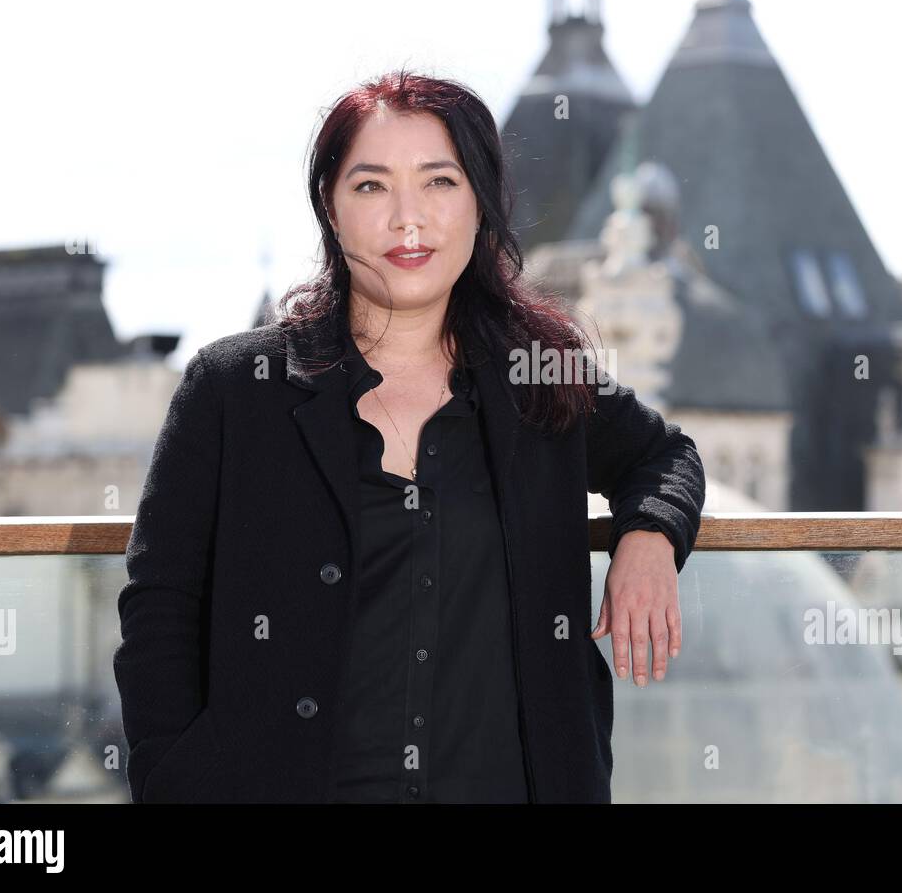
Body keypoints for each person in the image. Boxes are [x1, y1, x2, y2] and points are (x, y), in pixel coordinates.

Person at [113, 69, 706, 803]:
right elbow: (159, 609)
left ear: (480, 204)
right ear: (330, 207)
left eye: (439, 182)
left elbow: (664, 455)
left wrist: (647, 537)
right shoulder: (233, 389)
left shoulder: (537, 375)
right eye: (370, 186)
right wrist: (174, 782)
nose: (407, 219)